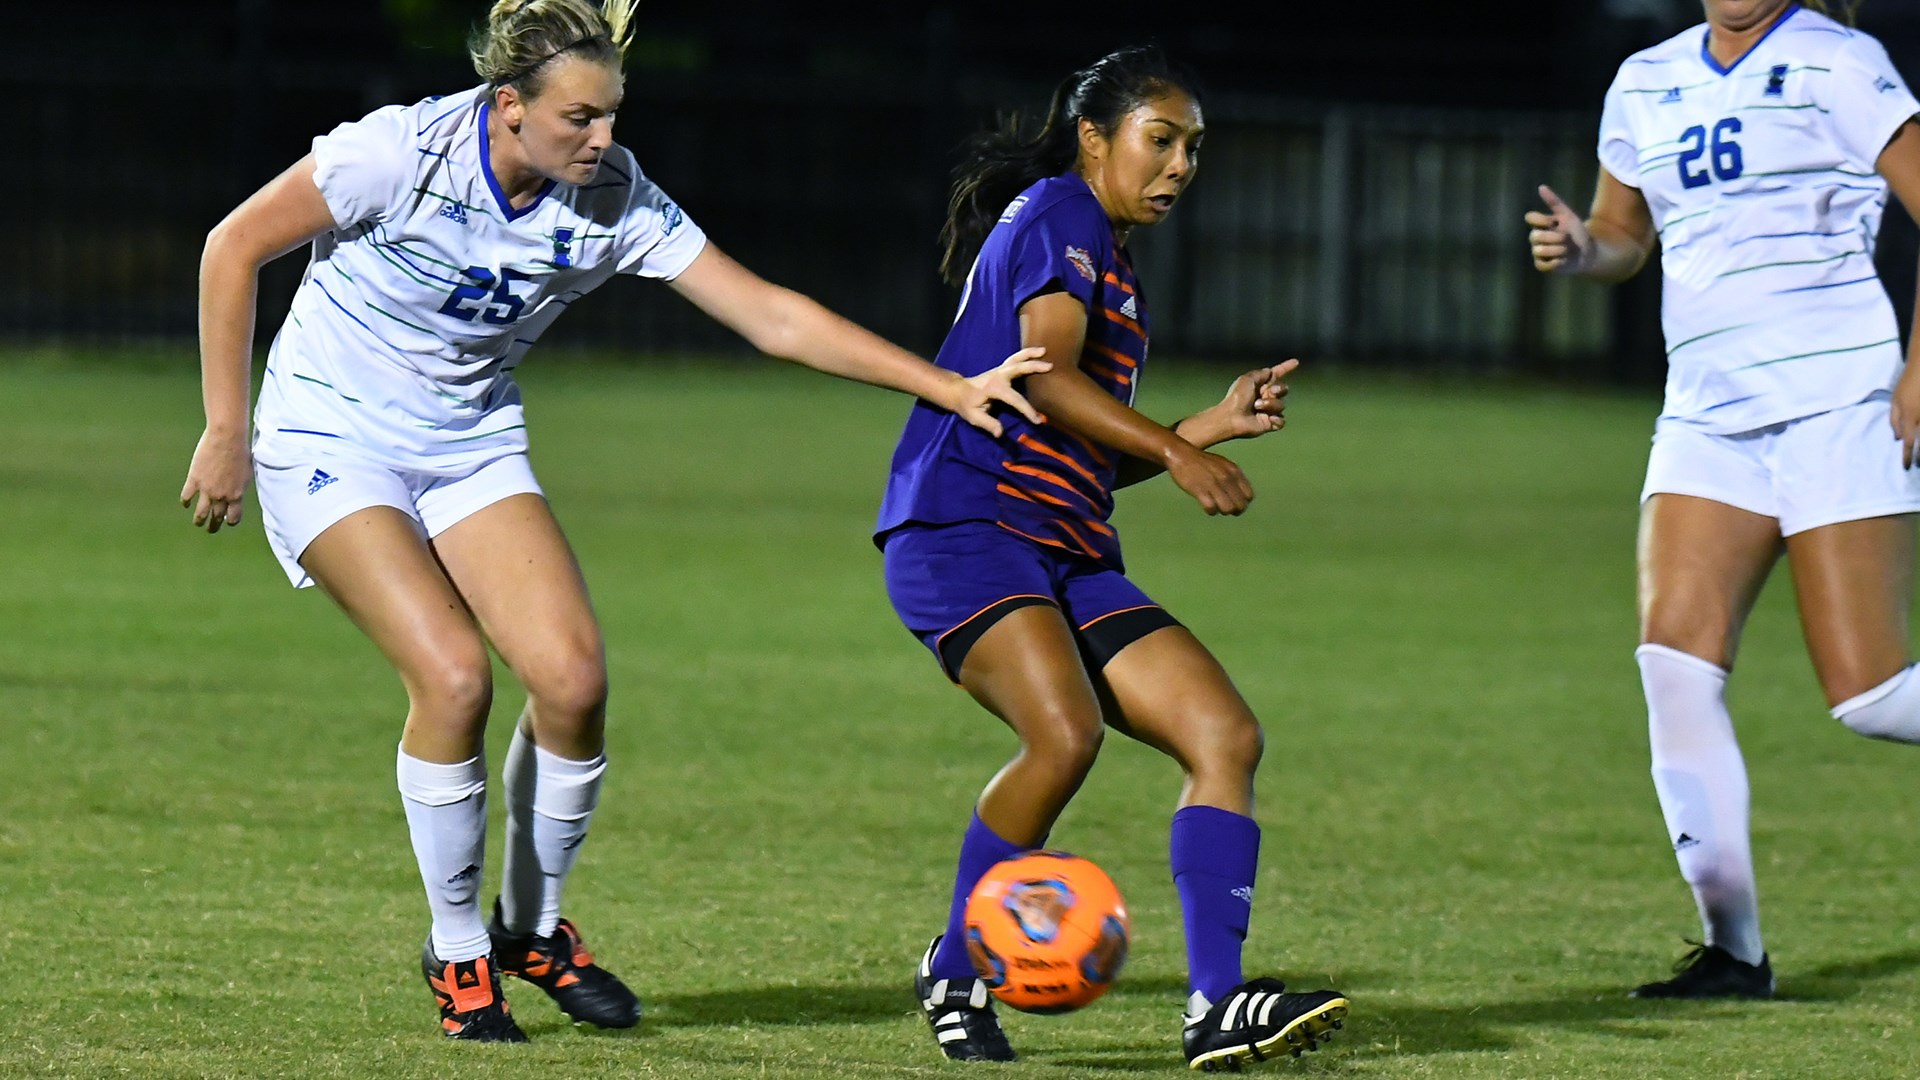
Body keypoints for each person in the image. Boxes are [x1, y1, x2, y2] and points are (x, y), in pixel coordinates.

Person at [178, 0, 1048, 1044]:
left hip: (466, 442)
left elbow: (767, 312)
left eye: (611, 115)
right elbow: (233, 247)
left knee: (574, 681)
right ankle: (458, 953)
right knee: (454, 675)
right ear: (508, 106)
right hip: (327, 432)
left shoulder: (615, 195)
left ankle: (530, 933)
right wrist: (226, 427)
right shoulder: (396, 153)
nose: (602, 139)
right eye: (579, 118)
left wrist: (948, 388)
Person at [873, 45, 1349, 1070]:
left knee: (1224, 734)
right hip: (965, 525)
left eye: (1194, 148)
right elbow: (1045, 383)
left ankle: (1215, 1006)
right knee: (1064, 735)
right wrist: (1176, 448)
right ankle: (957, 963)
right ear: (1096, 140)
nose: (1180, 165)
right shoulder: (1060, 214)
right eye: (1161, 139)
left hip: (1062, 545)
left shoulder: (1112, 262)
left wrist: (1204, 428)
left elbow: (1076, 452)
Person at [1526, 0, 1920, 999]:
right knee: (1674, 670)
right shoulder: (1645, 78)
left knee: (1871, 699)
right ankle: (1733, 948)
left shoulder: (1836, 59)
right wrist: (1584, 250)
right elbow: (1624, 232)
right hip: (1706, 417)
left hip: (1838, 400)